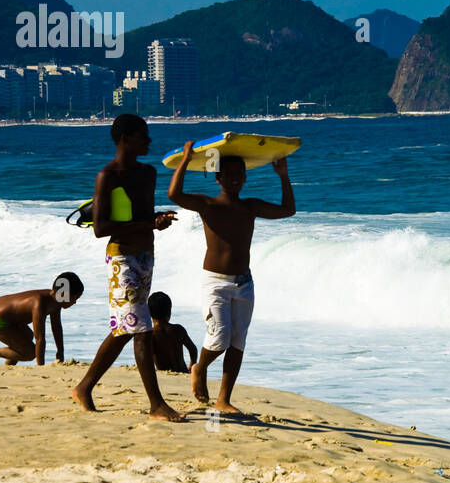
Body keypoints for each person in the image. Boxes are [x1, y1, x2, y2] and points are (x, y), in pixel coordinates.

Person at [70, 114, 183, 422]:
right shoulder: (108, 175)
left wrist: (157, 220)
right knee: (141, 329)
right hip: (121, 258)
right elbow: (101, 227)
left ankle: (83, 387)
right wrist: (150, 223)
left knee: (126, 328)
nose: (149, 140)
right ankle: (156, 404)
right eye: (143, 135)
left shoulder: (148, 173)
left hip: (146, 255)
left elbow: (141, 215)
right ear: (125, 139)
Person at [168, 143, 294, 413]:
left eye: (240, 173)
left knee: (238, 342)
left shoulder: (250, 207)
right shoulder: (207, 205)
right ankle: (199, 368)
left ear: (245, 178)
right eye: (229, 173)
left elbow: (287, 210)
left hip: (244, 282)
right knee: (219, 337)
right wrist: (186, 160)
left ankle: (224, 399)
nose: (235, 177)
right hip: (215, 282)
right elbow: (174, 194)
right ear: (218, 177)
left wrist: (282, 175)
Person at [0, 273, 83, 365]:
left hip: (6, 314)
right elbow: (40, 338)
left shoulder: (56, 302)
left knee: (28, 336)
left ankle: (9, 365)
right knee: (30, 353)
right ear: (63, 294)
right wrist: (40, 366)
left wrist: (60, 353)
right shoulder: (39, 303)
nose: (75, 302)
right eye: (75, 298)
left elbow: (56, 328)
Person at [148, 291, 197, 374]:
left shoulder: (151, 335)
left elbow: (148, 358)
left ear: (149, 313)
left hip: (165, 374)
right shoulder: (179, 329)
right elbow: (193, 349)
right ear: (169, 311)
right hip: (183, 371)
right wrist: (191, 365)